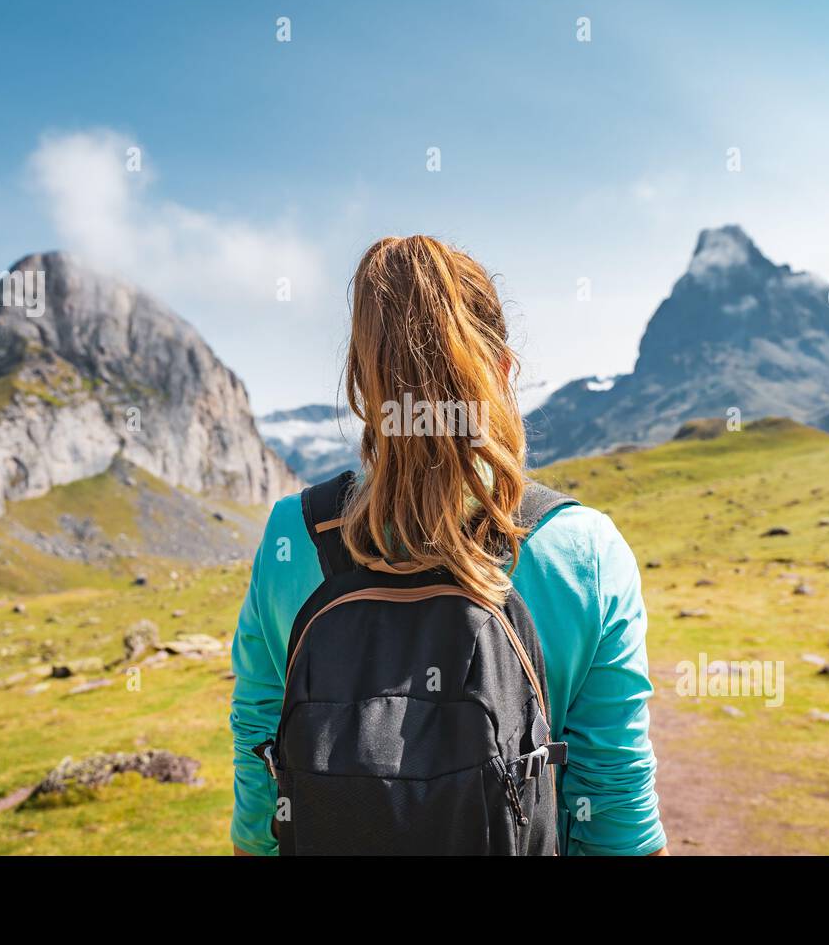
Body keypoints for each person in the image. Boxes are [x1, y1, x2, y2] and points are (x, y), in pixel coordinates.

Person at [230, 235, 666, 855]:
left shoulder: (293, 536)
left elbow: (259, 754)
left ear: (362, 382)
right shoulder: (583, 549)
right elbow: (614, 805)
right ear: (505, 373)